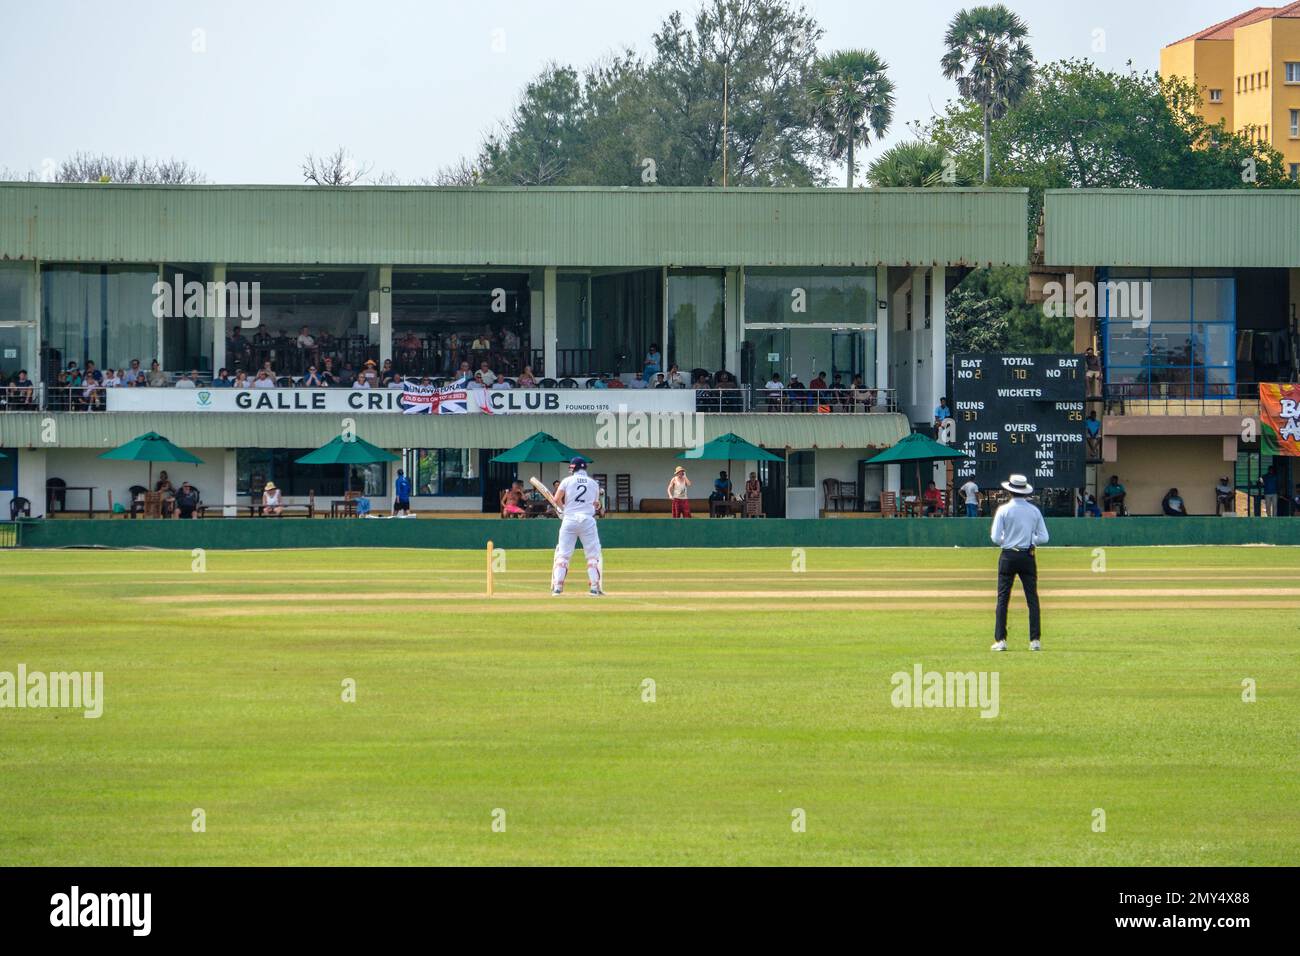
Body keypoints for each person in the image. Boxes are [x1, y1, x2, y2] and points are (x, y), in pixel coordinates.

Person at [990, 474, 1048, 652]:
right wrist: (1031, 539)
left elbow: (995, 537)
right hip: (1027, 556)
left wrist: (1007, 540)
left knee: (1003, 599)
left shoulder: (1004, 510)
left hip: (1008, 555)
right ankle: (1035, 640)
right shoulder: (1034, 511)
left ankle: (1001, 640)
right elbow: (1044, 537)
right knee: (1032, 599)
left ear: (1009, 491)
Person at [551, 458, 604, 596]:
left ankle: (557, 587)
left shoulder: (567, 481)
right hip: (587, 520)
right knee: (592, 556)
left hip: (569, 519)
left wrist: (563, 510)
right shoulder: (594, 484)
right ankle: (594, 587)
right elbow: (596, 504)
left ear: (573, 468)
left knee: (563, 555)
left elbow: (556, 500)